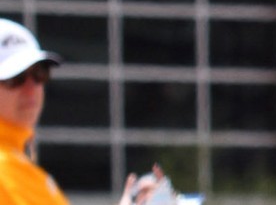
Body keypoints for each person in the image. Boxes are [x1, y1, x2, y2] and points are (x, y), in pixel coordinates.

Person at [0, 18, 170, 205]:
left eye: (39, 73)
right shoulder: (6, 168)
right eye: (15, 77)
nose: (31, 88)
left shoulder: (17, 164)